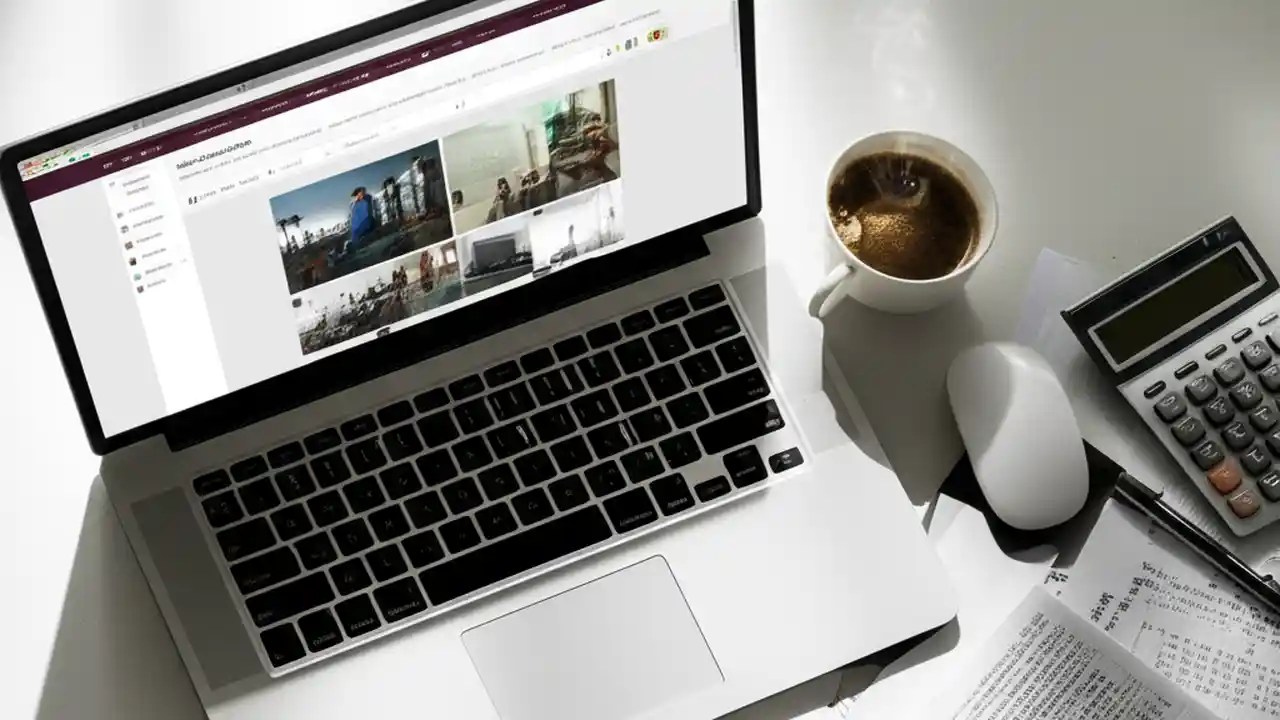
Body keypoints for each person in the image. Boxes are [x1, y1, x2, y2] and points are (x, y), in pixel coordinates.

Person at [346, 187, 378, 254]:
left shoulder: (366, 199)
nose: (358, 196)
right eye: (357, 195)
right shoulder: (356, 204)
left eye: (360, 193)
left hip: (367, 224)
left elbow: (368, 212)